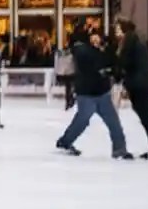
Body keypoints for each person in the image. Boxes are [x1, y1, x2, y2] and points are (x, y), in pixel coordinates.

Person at [56, 30, 132, 159]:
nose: (97, 41)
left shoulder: (103, 51)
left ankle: (119, 149)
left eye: (98, 38)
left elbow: (113, 66)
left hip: (102, 93)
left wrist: (113, 65)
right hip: (86, 94)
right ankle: (65, 142)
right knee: (82, 121)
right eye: (94, 38)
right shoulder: (82, 50)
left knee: (113, 122)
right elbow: (93, 65)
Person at [115, 19, 148, 159]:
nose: (116, 31)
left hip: (138, 86)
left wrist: (117, 71)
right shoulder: (136, 41)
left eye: (118, 28)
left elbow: (124, 61)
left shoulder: (130, 41)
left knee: (147, 117)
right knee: (147, 117)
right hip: (141, 85)